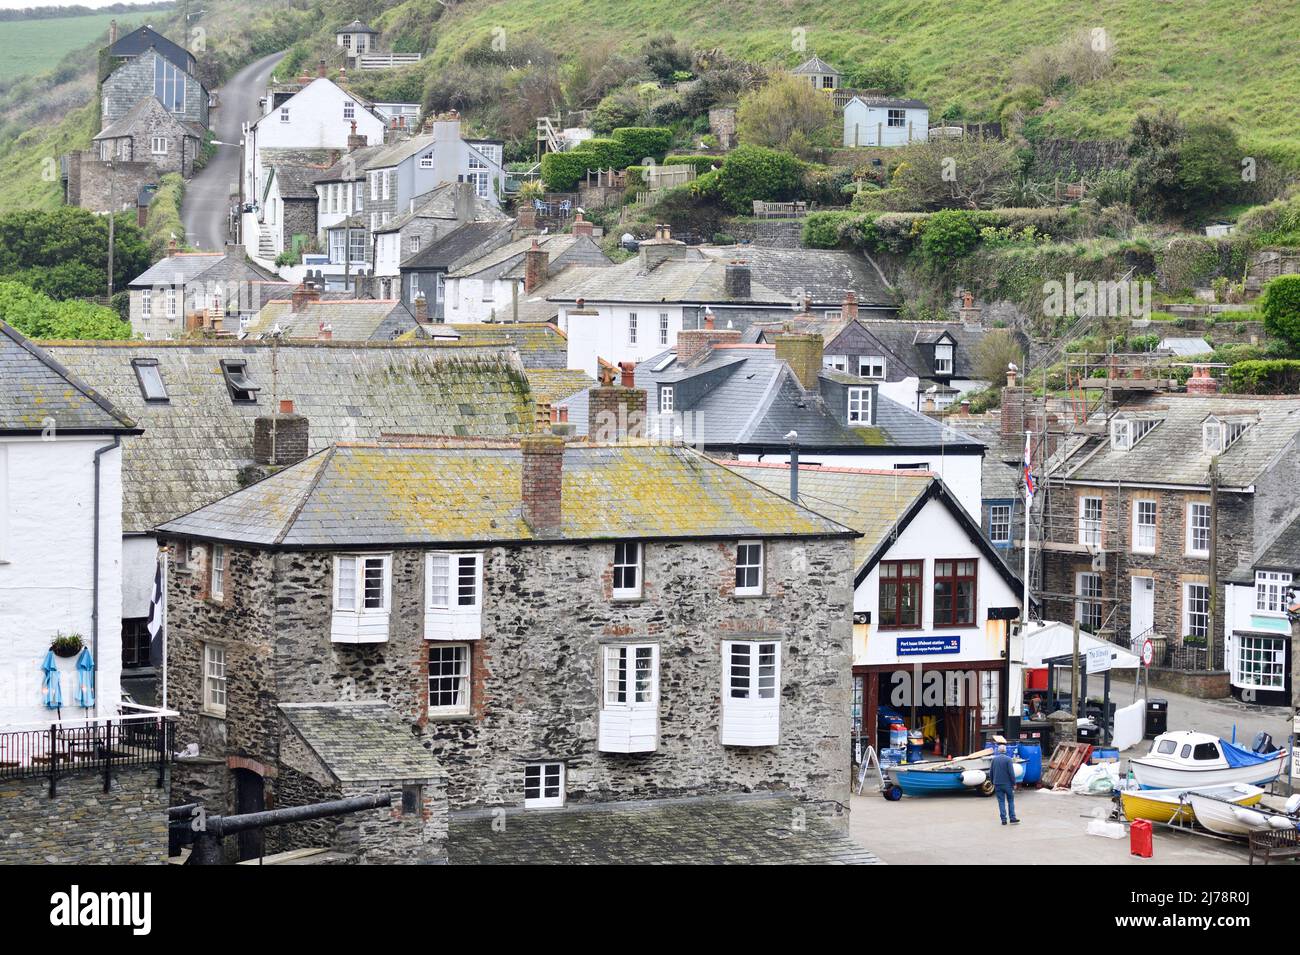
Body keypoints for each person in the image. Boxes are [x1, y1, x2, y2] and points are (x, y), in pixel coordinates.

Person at [989, 742, 1020, 826]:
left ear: (998, 751)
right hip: (1007, 784)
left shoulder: (994, 760)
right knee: (1010, 800)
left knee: (1001, 801)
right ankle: (1012, 818)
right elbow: (1011, 773)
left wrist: (992, 782)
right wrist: (1014, 783)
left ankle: (1003, 820)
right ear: (1005, 751)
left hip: (997, 784)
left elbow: (991, 772)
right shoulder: (1008, 759)